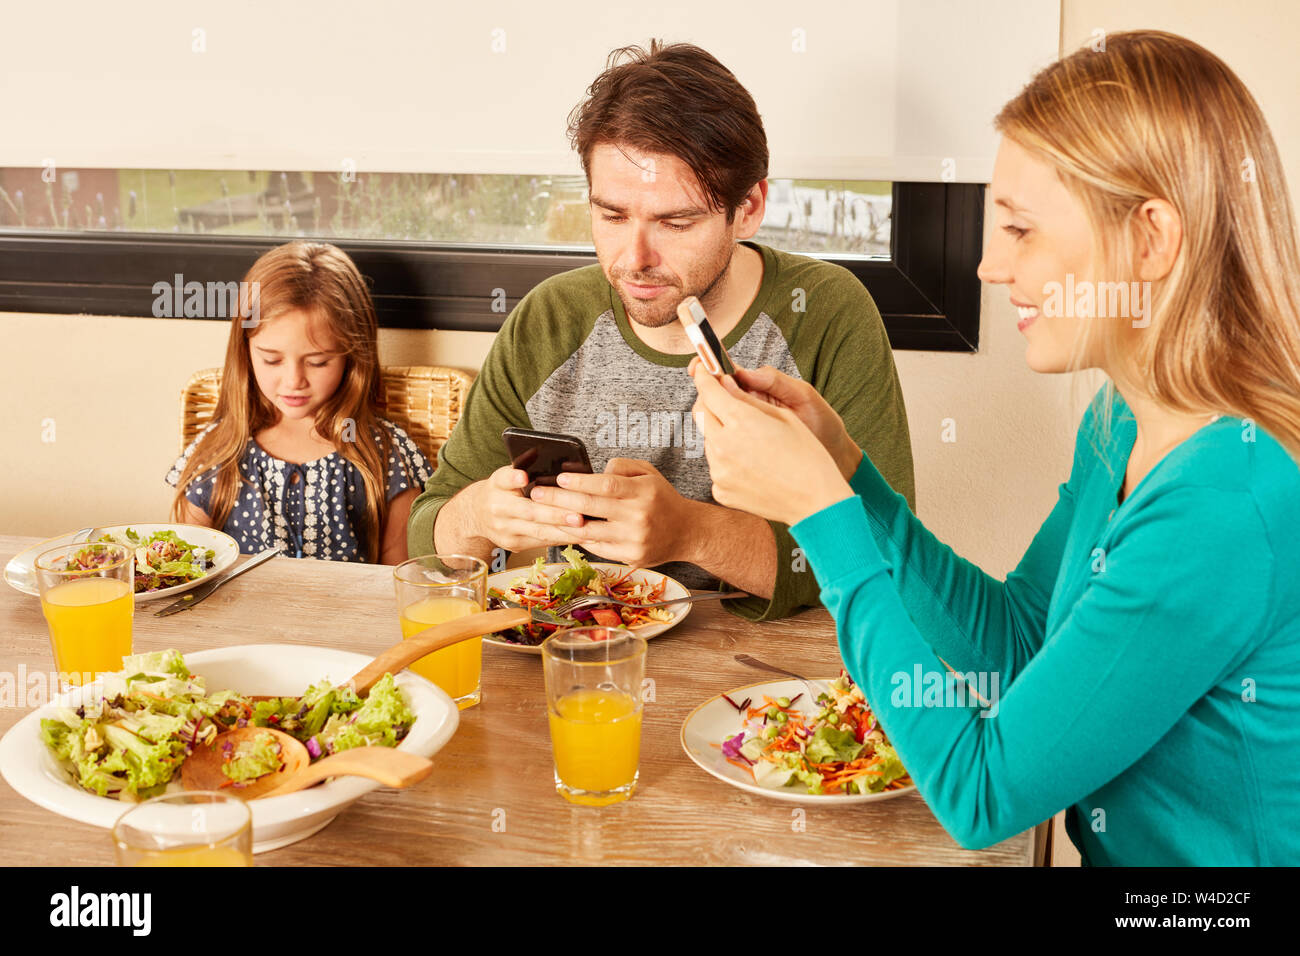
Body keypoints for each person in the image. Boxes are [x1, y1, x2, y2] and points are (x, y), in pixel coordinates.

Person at [690, 30, 1300, 865]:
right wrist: (850, 478)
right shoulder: (1124, 420)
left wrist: (821, 518)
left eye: (1020, 230)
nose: (986, 266)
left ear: (1152, 241)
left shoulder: (1225, 501)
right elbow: (1019, 642)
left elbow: (985, 795)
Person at [408, 41, 915, 621]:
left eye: (675, 222)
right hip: (587, 664)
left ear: (748, 207)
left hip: (779, 687)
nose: (634, 258)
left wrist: (691, 533)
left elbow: (891, 565)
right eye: (612, 216)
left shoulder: (827, 313)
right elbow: (426, 542)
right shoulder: (549, 320)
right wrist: (479, 516)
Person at [166, 241, 432, 564]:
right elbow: (182, 575)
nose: (294, 381)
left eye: (318, 362)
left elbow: (400, 583)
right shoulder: (218, 453)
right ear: (246, 353)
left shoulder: (384, 453)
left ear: (352, 357)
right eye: (271, 360)